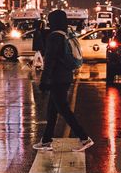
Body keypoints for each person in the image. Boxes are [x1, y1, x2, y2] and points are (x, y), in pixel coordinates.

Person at [33, 9, 92, 153]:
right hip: (65, 77)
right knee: (52, 111)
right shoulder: (66, 33)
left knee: (64, 110)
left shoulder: (54, 37)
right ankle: (46, 141)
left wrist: (44, 80)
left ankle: (84, 138)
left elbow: (50, 60)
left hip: (57, 79)